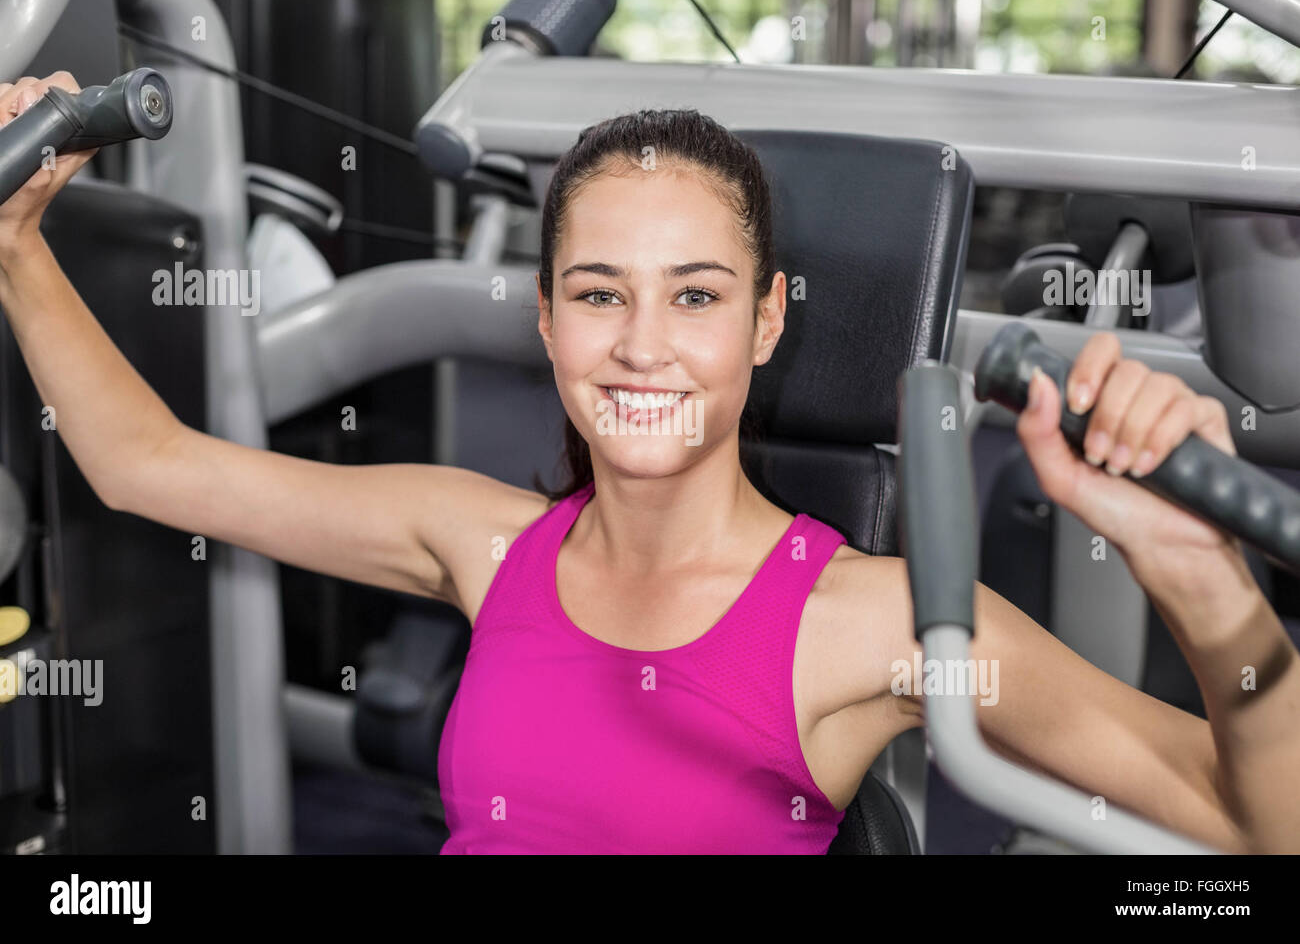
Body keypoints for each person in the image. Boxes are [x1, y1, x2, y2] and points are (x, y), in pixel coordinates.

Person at [1, 73, 1296, 854]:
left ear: (766, 320)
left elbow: (1256, 823)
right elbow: (143, 466)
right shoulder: (479, 539)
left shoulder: (872, 623)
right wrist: (15, 248)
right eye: (600, 294)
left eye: (695, 297)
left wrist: (1206, 585)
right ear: (550, 320)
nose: (640, 348)